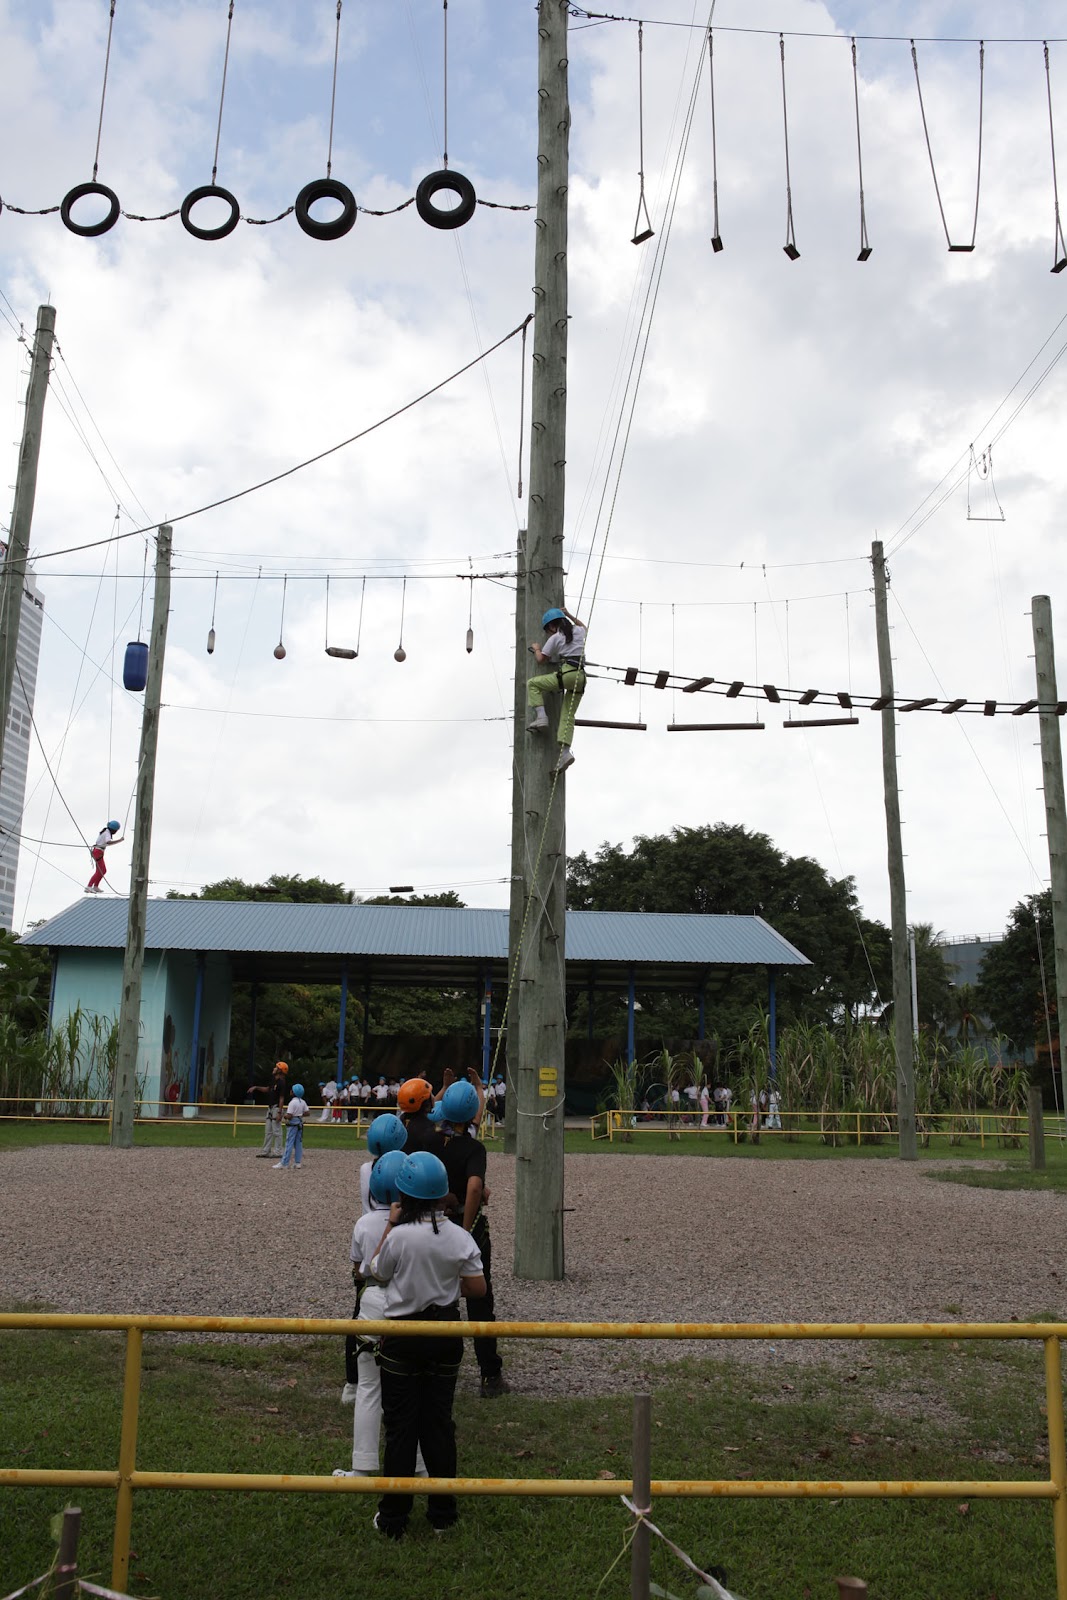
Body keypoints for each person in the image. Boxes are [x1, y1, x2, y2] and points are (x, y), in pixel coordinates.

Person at [370, 1149, 486, 1540]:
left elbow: (378, 1272)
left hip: (402, 1336)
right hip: (445, 1334)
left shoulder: (400, 1237)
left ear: (405, 1194)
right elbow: (477, 1288)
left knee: (400, 1427)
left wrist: (391, 1224)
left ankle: (393, 1517)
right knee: (439, 1425)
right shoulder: (460, 1237)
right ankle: (442, 1513)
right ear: (441, 1194)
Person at [334, 1148, 428, 1482]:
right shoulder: (425, 1225)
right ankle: (419, 1465)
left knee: (370, 1388)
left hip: (374, 1302)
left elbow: (360, 1271)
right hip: (411, 1304)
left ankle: (362, 1465)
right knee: (411, 1391)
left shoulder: (364, 1223)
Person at [430, 1078, 509, 1398]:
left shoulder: (432, 1142)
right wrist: (465, 1227)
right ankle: (489, 1374)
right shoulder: (474, 1148)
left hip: (433, 1223)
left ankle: (434, 1364)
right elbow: (475, 1186)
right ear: (473, 1113)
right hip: (467, 1226)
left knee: (434, 1295)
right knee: (479, 1300)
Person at [526, 604, 586, 775]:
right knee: (568, 715)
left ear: (552, 626)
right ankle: (565, 752)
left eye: (547, 630)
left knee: (533, 684)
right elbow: (584, 626)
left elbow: (541, 660)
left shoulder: (555, 637)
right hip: (581, 678)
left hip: (567, 674)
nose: (548, 633)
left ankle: (542, 717)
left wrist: (537, 648)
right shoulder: (578, 631)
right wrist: (570, 614)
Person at [251, 1062, 289, 1158]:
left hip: (276, 1108)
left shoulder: (282, 1083)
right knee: (268, 1131)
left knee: (276, 1131)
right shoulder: (274, 1080)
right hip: (270, 1107)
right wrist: (256, 1087)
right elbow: (267, 1089)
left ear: (280, 1070)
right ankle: (265, 1151)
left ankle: (278, 1152)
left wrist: (280, 1112)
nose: (274, 1068)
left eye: (276, 1067)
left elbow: (281, 1098)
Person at [397, 1076, 439, 1153]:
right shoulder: (428, 1127)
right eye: (431, 1094)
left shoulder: (401, 1120)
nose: (433, 1097)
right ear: (426, 1103)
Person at [274, 1082, 309, 1170]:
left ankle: (284, 1163)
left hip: (293, 1124)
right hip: (300, 1123)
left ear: (293, 1093)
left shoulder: (292, 1103)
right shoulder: (303, 1102)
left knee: (289, 1143)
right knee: (298, 1143)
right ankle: (298, 1163)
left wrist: (284, 1116)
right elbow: (307, 1113)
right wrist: (300, 1114)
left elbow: (289, 1115)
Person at [85, 820, 122, 893]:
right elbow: (108, 842)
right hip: (98, 852)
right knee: (100, 871)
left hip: (99, 851)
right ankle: (89, 887)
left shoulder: (106, 831)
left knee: (103, 870)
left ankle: (95, 886)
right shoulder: (107, 833)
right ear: (114, 830)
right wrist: (119, 840)